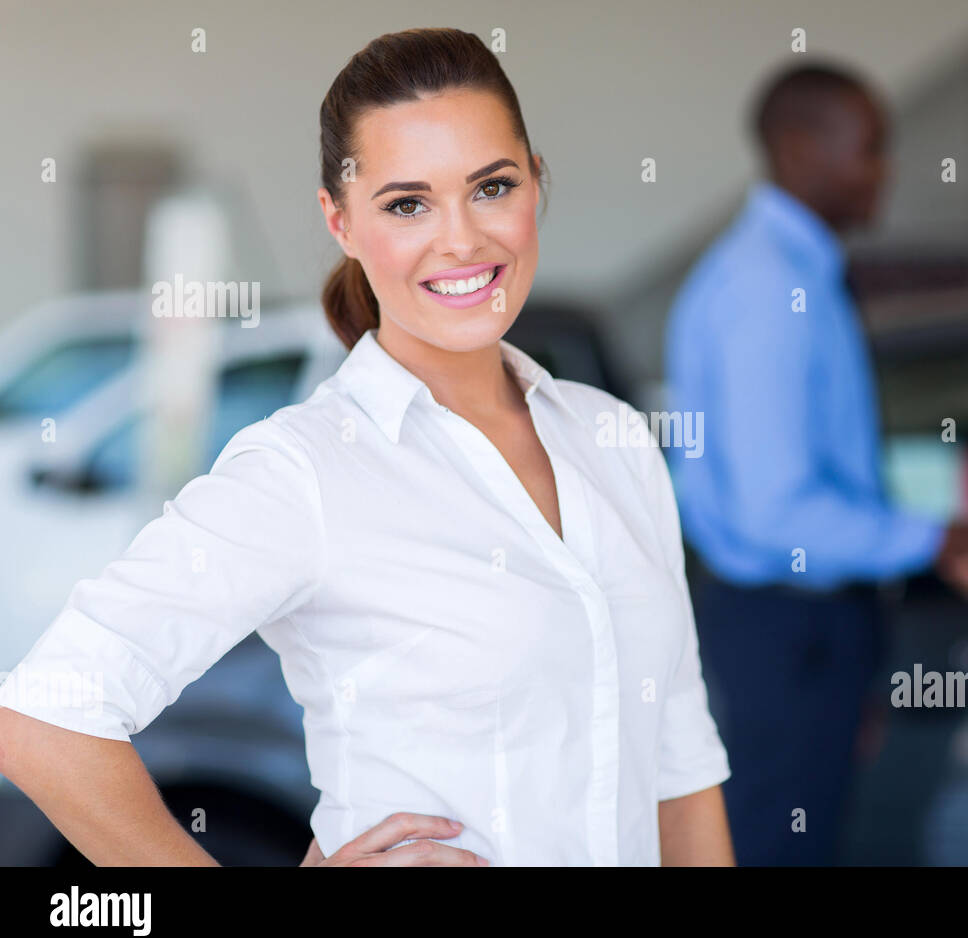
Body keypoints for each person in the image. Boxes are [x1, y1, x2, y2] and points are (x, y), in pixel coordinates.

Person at [0, 27, 733, 867]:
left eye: (491, 186)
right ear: (340, 221)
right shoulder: (306, 470)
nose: (461, 240)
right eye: (407, 203)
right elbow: (46, 715)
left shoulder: (614, 439)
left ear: (537, 181)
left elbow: (679, 767)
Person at [663, 62, 968, 866]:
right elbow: (774, 510)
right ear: (799, 151)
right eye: (870, 149)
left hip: (800, 626)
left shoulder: (786, 273)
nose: (885, 171)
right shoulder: (769, 287)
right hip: (789, 627)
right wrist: (941, 540)